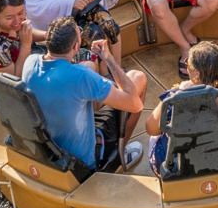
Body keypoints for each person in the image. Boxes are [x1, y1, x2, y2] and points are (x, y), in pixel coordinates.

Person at [21, 17, 149, 171]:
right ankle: (117, 157)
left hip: (50, 149)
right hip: (82, 162)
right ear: (76, 47)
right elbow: (134, 104)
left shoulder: (29, 62)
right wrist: (108, 59)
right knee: (138, 78)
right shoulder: (81, 76)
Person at [140, 40, 218, 175]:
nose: (186, 67)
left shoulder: (173, 99)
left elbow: (150, 129)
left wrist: (178, 91)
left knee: (155, 137)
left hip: (178, 169)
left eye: (187, 64)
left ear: (196, 73)